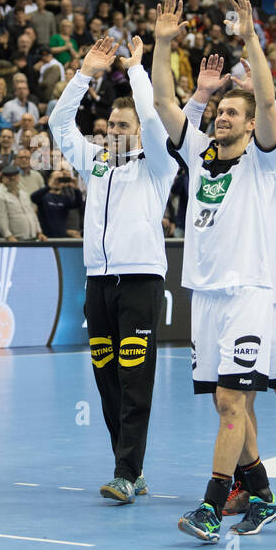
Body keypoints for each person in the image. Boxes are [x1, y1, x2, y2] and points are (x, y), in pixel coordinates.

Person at [152, 0, 276, 542]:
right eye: (221, 111)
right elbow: (163, 104)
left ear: (250, 126)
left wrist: (251, 39)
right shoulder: (201, 155)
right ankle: (265, 495)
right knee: (225, 404)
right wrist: (162, 44)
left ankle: (209, 506)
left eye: (234, 111)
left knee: (233, 400)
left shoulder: (263, 159)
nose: (224, 116)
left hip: (248, 293)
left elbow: (271, 104)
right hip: (203, 297)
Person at [187, 48, 276, 521]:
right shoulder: (228, 164)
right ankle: (252, 484)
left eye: (239, 112)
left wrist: (255, 88)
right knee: (234, 398)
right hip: (232, 293)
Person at [48, 34, 177, 503]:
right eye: (110, 126)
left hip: (140, 281)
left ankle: (126, 471)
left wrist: (137, 71)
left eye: (125, 125)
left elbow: (157, 121)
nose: (115, 132)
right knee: (106, 381)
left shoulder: (157, 165)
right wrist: (85, 74)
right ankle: (130, 467)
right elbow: (59, 124)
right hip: (97, 284)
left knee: (134, 378)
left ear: (139, 130)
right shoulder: (96, 162)